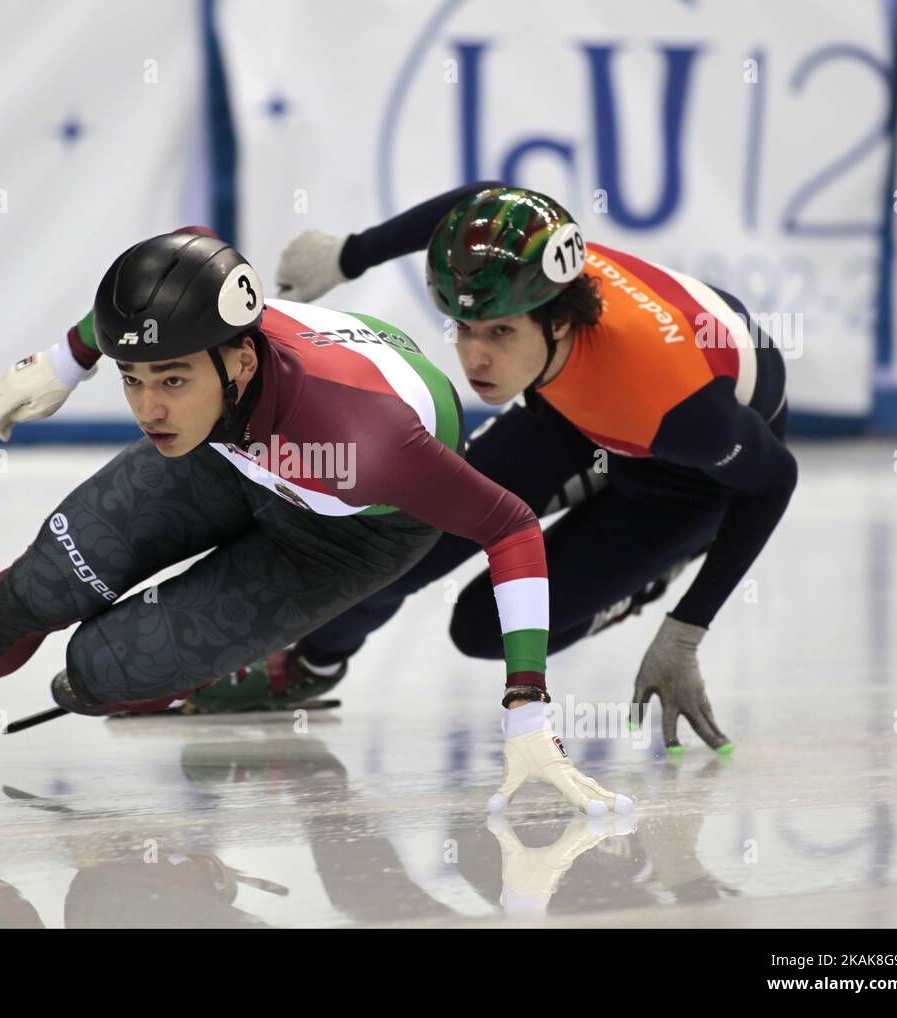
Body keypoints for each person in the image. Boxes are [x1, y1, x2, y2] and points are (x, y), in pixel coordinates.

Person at [0, 226, 632, 816]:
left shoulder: (363, 436)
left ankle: (222, 654)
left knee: (96, 676)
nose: (149, 408)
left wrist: (528, 713)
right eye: (132, 380)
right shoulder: (202, 351)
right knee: (42, 583)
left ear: (239, 355)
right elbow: (167, 269)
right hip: (237, 448)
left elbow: (511, 527)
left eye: (172, 380)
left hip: (352, 525)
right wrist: (66, 362)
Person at [186, 184, 797, 754]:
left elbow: (774, 480)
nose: (476, 358)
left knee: (481, 629)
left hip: (685, 475)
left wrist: (685, 629)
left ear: (559, 319)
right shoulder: (531, 270)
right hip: (569, 402)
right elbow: (484, 202)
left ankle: (640, 584)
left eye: (501, 332)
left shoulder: (681, 409)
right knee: (400, 548)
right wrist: (351, 255)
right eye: (465, 329)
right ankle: (310, 667)